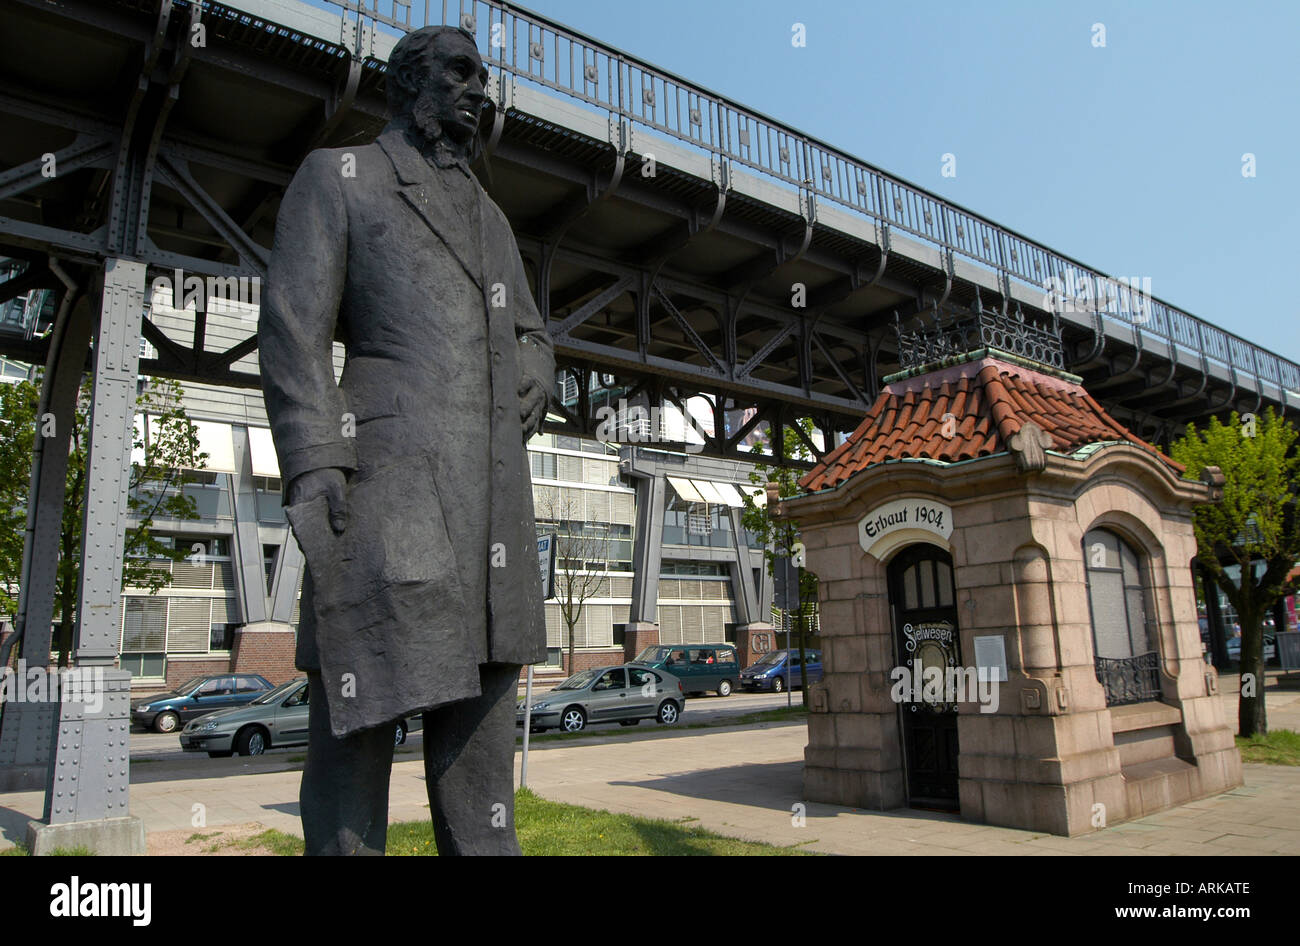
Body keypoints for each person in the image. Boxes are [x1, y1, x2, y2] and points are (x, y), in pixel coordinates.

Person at [259, 24, 554, 855]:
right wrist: (316, 460)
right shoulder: (340, 177)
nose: (479, 91)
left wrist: (539, 368)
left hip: (492, 510)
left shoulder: (492, 219)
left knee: (482, 763)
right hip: (385, 497)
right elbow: (292, 327)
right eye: (461, 72)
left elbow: (531, 331)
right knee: (360, 720)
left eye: (483, 77)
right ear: (410, 83)